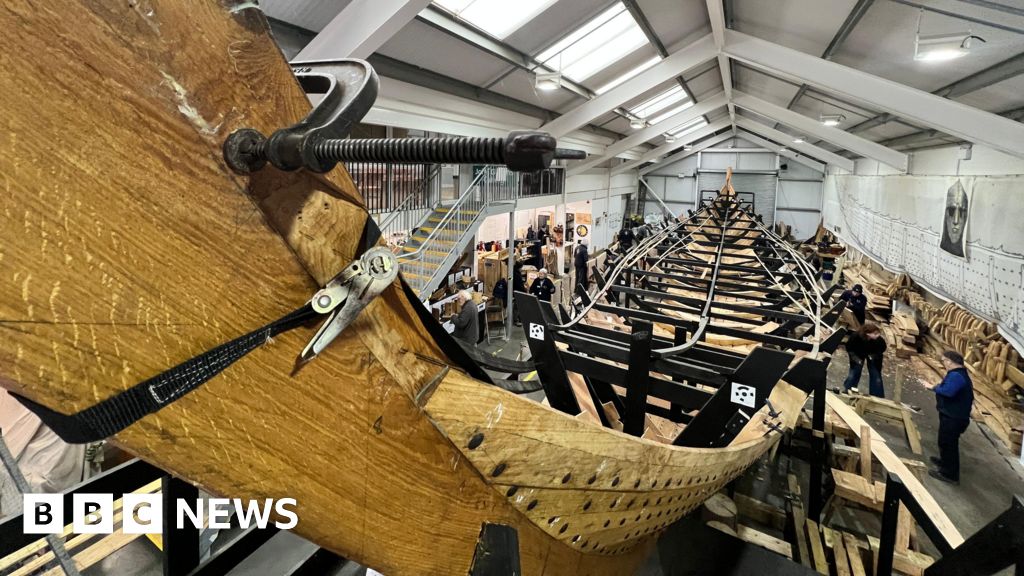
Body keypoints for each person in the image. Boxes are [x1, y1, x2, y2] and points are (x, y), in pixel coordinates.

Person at [924, 351, 974, 485]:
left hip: (954, 417)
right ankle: (944, 462)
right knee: (944, 441)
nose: (943, 363)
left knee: (949, 443)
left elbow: (948, 391)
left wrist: (933, 387)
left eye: (944, 361)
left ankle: (950, 474)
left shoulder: (957, 376)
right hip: (951, 414)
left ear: (950, 362)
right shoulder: (957, 374)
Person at [843, 323, 886, 397]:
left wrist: (873, 356)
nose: (877, 335)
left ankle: (877, 396)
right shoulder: (855, 337)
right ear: (867, 334)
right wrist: (856, 359)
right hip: (858, 353)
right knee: (854, 372)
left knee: (875, 374)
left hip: (873, 354)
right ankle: (848, 389)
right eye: (875, 334)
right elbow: (849, 348)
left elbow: (882, 348)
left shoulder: (879, 340)